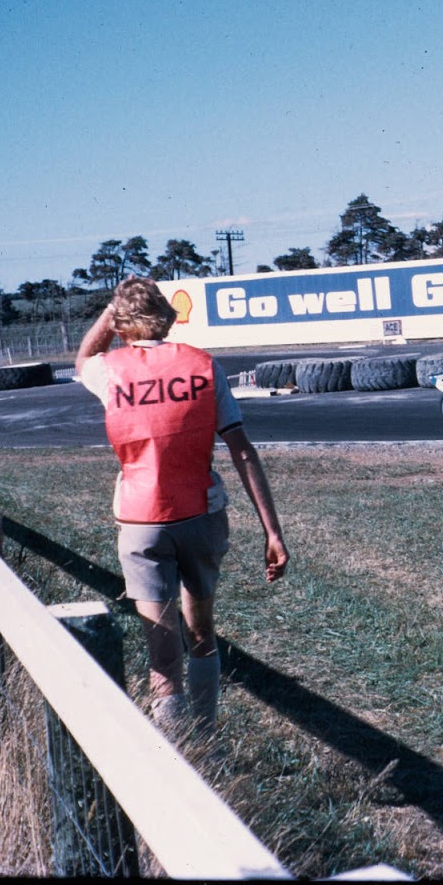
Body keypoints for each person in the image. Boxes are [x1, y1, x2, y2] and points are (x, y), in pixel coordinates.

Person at [76, 276, 288, 738]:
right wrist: (272, 532)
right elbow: (243, 450)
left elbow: (82, 357)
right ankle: (207, 744)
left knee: (162, 658)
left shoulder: (109, 370)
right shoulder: (204, 366)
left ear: (123, 324)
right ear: (167, 319)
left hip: (141, 522)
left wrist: (111, 316)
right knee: (202, 638)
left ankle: (178, 759)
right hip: (202, 517)